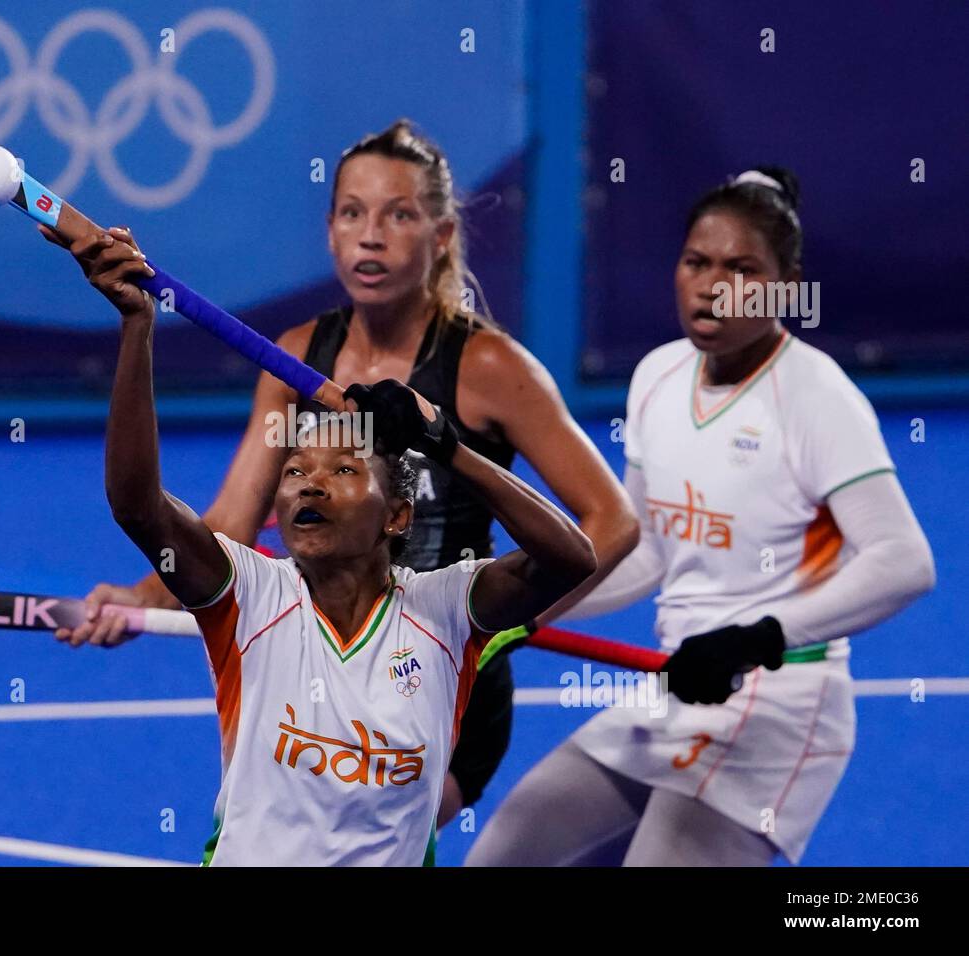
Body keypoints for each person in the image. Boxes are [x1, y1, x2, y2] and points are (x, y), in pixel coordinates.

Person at [46, 120, 638, 825]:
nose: (372, 234)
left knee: (360, 836)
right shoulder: (296, 358)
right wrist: (141, 595)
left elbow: (612, 524)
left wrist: (500, 626)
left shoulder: (489, 368)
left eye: (400, 215)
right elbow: (231, 522)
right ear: (330, 231)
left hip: (444, 680)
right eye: (352, 213)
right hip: (308, 662)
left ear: (442, 236)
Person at [466, 167, 936, 867]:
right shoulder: (657, 374)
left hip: (782, 704)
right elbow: (649, 553)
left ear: (786, 282)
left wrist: (756, 637)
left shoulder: (817, 398)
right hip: (676, 690)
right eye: (697, 262)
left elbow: (905, 563)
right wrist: (532, 610)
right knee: (503, 856)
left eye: (742, 269)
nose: (713, 284)